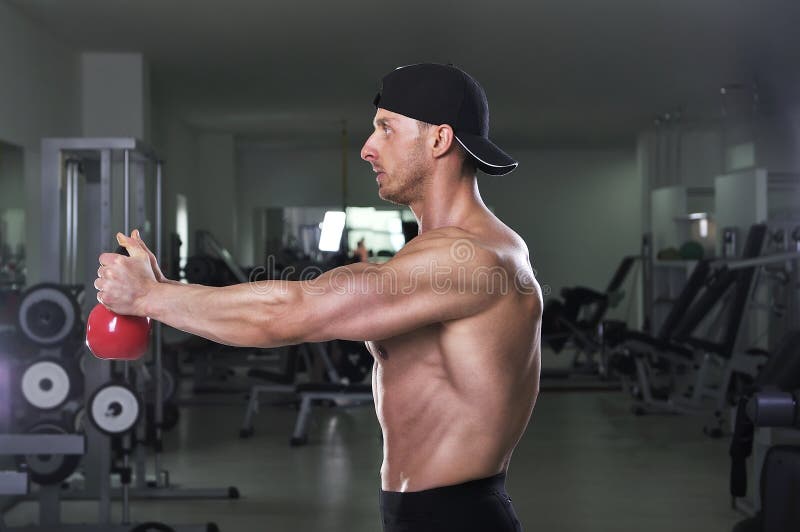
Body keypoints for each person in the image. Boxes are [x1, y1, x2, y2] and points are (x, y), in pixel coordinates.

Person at [96, 63, 542, 532]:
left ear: (439, 140)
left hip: (456, 518)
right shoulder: (443, 251)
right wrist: (161, 292)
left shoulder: (468, 258)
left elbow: (291, 312)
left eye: (385, 128)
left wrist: (149, 297)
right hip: (424, 513)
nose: (368, 149)